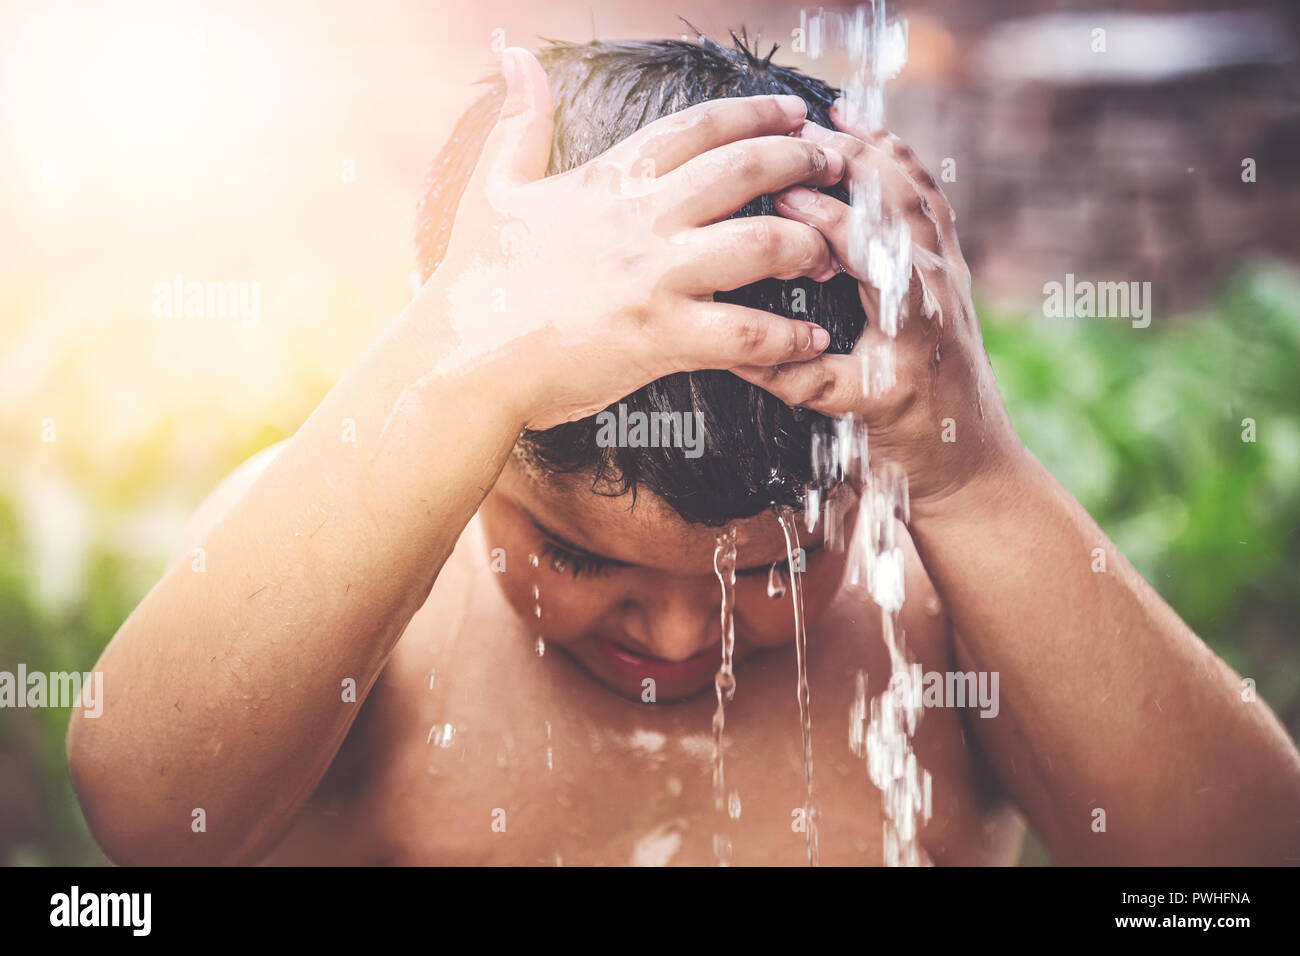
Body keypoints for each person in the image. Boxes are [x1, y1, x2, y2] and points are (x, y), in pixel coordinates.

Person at [66, 35, 1300, 866]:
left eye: (770, 570)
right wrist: (457, 357)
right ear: (472, 456)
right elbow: (146, 808)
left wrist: (977, 481)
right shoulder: (362, 582)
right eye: (569, 550)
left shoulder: (933, 617)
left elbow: (1240, 858)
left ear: (862, 486)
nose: (674, 634)